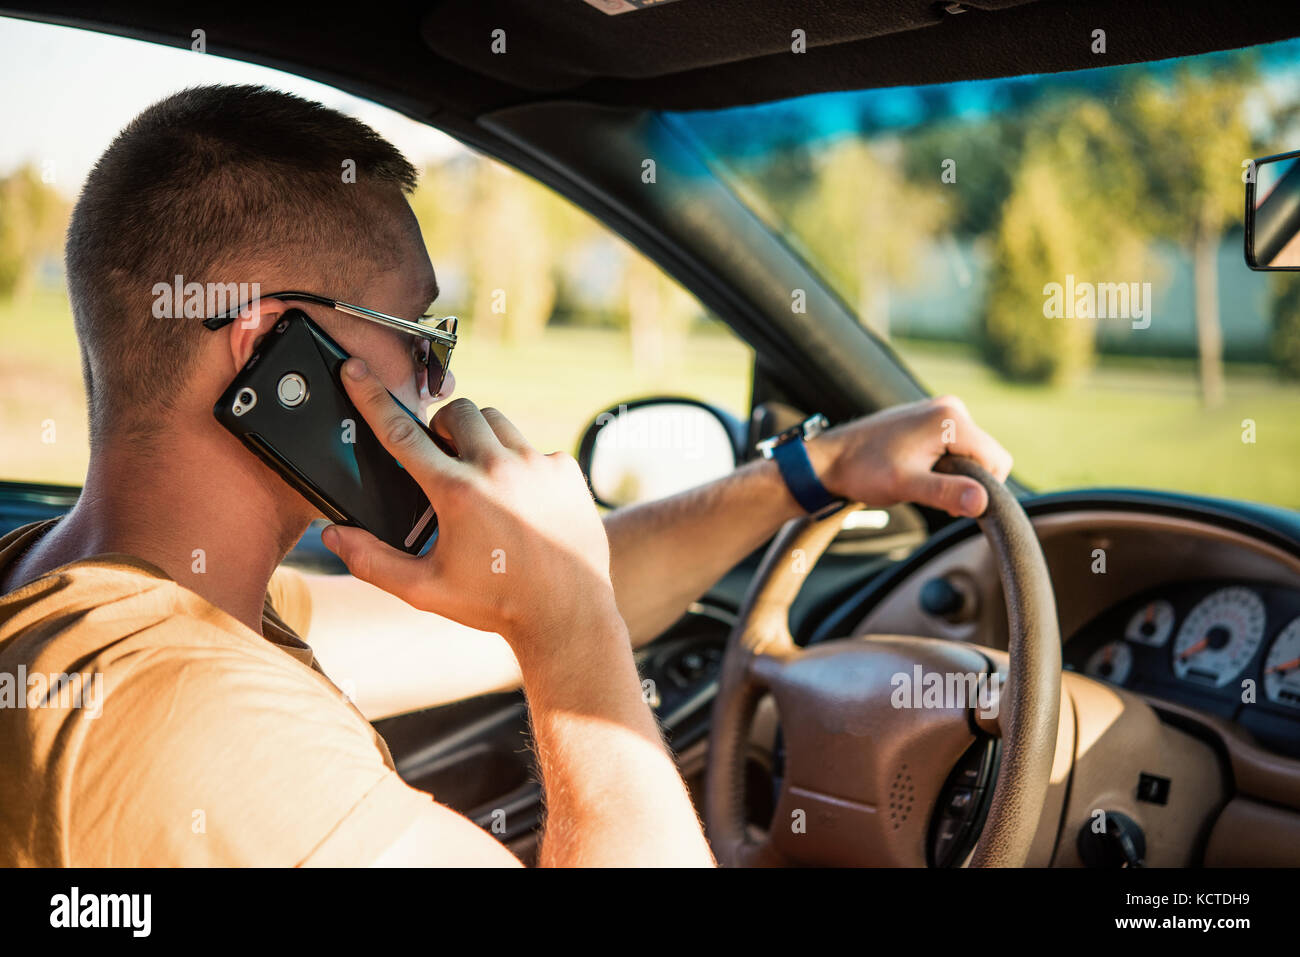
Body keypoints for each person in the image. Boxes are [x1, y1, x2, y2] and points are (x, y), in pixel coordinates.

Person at [0, 85, 1012, 867]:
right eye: (421, 340)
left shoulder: (116, 601)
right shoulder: (192, 716)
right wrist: (569, 633)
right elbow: (578, 607)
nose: (444, 387)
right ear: (277, 355)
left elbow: (597, 581)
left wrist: (812, 468)